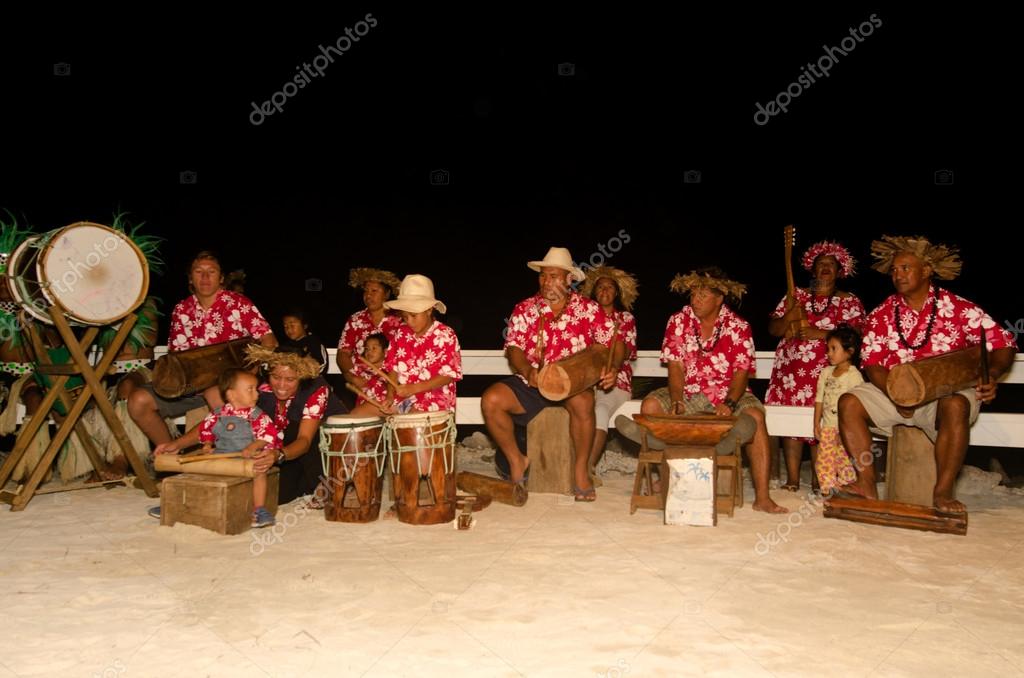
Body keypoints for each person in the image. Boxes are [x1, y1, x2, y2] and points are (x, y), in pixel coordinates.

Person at [838, 235, 1017, 513]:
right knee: (849, 402)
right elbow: (872, 363)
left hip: (944, 396)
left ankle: (943, 492)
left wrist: (990, 373)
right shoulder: (882, 314)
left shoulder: (958, 308)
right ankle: (866, 484)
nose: (898, 274)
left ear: (926, 271)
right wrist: (897, 396)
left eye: (906, 268)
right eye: (894, 270)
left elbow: (1004, 343)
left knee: (956, 404)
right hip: (894, 394)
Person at [615, 267, 788, 514]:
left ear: (719, 298)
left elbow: (741, 373)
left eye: (702, 295)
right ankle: (665, 469)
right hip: (688, 390)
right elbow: (675, 367)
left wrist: (729, 403)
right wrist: (676, 400)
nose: (695, 300)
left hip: (729, 393)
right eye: (693, 294)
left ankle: (762, 498)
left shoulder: (739, 326)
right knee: (651, 406)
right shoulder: (678, 320)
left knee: (756, 419)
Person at [480, 247, 615, 501]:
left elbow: (610, 345)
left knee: (585, 402)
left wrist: (612, 367)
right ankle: (516, 460)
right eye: (543, 276)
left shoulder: (588, 309)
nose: (546, 281)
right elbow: (514, 349)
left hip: (572, 383)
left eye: (553, 276)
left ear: (568, 279)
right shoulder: (525, 308)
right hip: (532, 381)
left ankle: (580, 471)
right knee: (491, 400)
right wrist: (527, 370)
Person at [129, 250, 278, 454]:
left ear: (221, 278)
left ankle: (232, 461)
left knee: (216, 392)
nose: (205, 277)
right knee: (138, 400)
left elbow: (269, 341)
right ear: (190, 278)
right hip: (189, 385)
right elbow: (176, 357)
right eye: (199, 272)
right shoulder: (181, 309)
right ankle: (172, 457)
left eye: (212, 272)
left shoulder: (239, 304)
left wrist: (249, 372)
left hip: (225, 384)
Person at [765, 241, 865, 491]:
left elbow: (856, 334)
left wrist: (820, 333)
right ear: (812, 270)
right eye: (821, 264)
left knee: (823, 422)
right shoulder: (795, 296)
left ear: (840, 271)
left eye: (831, 265)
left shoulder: (849, 301)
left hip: (828, 372)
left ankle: (821, 478)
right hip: (791, 372)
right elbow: (773, 329)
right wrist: (789, 316)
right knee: (791, 423)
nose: (825, 268)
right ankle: (792, 478)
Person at [350, 275, 462, 415]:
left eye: (413, 316)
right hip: (401, 398)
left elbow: (449, 375)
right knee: (356, 416)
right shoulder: (400, 333)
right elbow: (393, 369)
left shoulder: (446, 334)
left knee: (411, 421)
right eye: (405, 316)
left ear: (429, 310)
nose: (409, 321)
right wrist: (390, 397)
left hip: (434, 399)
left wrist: (414, 388)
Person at [197, 368, 281, 528]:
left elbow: (268, 435)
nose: (256, 394)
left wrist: (254, 446)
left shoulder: (257, 415)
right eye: (250, 390)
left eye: (256, 389)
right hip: (222, 457)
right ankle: (180, 501)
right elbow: (206, 429)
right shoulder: (217, 414)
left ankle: (259, 510)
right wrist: (207, 444)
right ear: (232, 395)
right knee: (197, 471)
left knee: (260, 472)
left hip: (248, 459)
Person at [579, 266, 637, 483]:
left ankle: (587, 468)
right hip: (585, 380)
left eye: (610, 287)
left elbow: (626, 352)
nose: (604, 290)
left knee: (600, 410)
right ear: (594, 292)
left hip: (615, 380)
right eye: (600, 287)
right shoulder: (583, 317)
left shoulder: (624, 319)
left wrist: (610, 367)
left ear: (617, 293)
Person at [812, 325, 863, 496]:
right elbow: (819, 399)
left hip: (845, 428)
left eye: (834, 349)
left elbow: (857, 405)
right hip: (828, 427)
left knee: (844, 460)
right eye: (828, 349)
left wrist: (848, 430)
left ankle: (847, 487)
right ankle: (828, 490)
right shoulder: (826, 373)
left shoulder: (853, 376)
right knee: (824, 461)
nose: (829, 353)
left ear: (850, 351)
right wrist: (816, 423)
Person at [336, 268, 403, 394]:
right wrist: (353, 376)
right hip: (361, 383)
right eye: (366, 291)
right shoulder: (355, 319)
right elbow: (343, 353)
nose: (368, 295)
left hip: (393, 382)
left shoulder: (400, 319)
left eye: (374, 291)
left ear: (387, 294)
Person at [279, 308, 328, 375]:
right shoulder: (285, 346)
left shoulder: (313, 342)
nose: (289, 329)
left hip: (312, 381)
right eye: (285, 326)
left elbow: (322, 365)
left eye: (292, 325)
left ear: (304, 325)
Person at [355, 333, 389, 407]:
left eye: (374, 348)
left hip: (386, 406)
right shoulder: (361, 369)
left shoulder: (391, 370)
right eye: (367, 349)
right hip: (365, 407)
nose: (369, 352)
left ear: (385, 351)